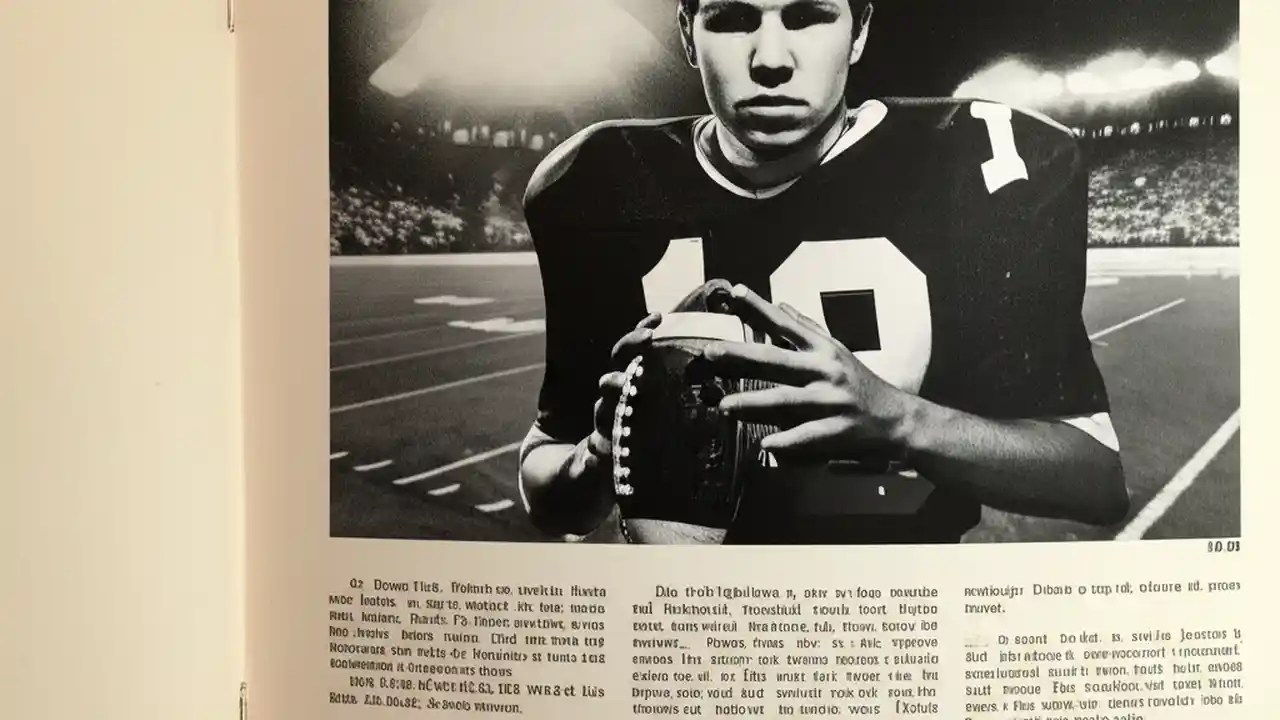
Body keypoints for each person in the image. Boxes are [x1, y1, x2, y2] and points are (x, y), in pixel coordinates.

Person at [516, 0, 1129, 544]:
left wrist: (898, 418)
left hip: (888, 631)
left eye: (808, 16)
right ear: (686, 32)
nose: (771, 59)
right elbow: (551, 486)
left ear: (859, 29)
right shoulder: (597, 183)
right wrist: (598, 457)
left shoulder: (984, 166)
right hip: (691, 632)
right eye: (732, 19)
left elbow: (1094, 479)